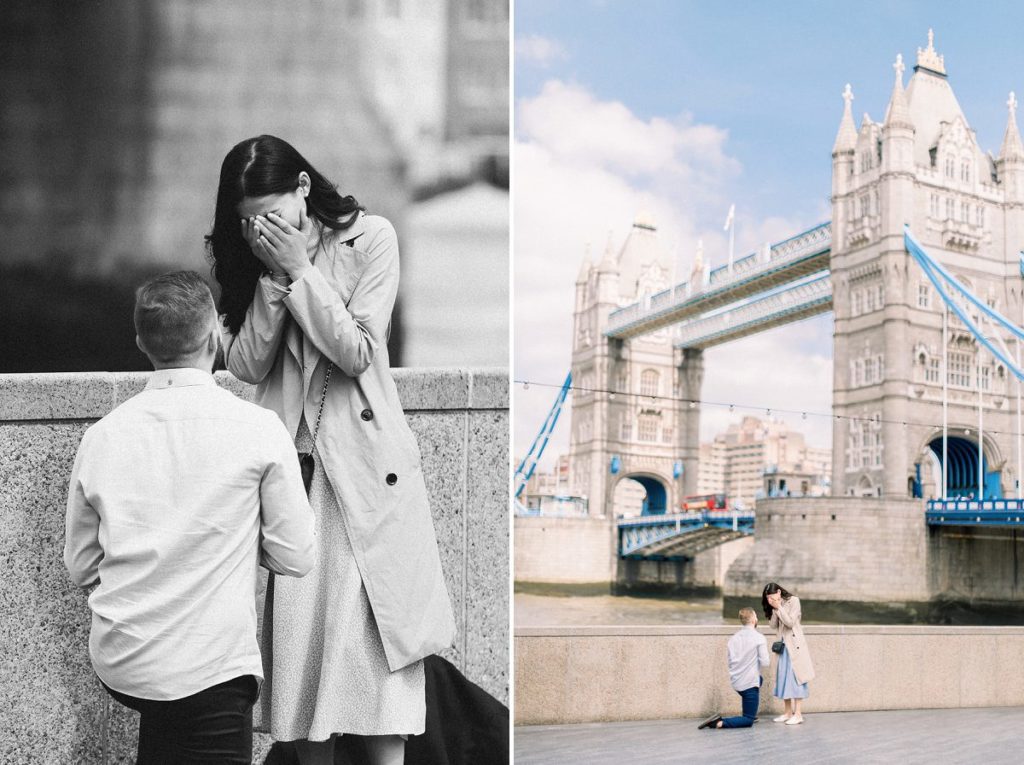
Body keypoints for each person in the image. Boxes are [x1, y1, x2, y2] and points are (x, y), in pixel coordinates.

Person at [209, 135, 456, 765]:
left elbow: (359, 352)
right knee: (300, 677)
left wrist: (302, 271)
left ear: (302, 187)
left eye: (272, 215)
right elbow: (245, 364)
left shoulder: (372, 238)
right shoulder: (259, 260)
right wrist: (273, 276)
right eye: (248, 222)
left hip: (364, 475)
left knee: (375, 674)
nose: (261, 231)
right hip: (293, 477)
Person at [63, 271, 317, 764]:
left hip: (124, 661)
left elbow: (80, 566)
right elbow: (297, 558)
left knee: (166, 732)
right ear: (215, 336)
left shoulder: (103, 436)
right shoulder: (259, 429)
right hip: (212, 667)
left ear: (141, 342)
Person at [698, 607, 769, 730]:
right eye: (756, 616)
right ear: (753, 620)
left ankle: (750, 711)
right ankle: (719, 722)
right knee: (748, 720)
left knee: (760, 679)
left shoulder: (733, 638)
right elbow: (765, 662)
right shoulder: (759, 638)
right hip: (749, 684)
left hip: (736, 681)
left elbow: (731, 660)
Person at [763, 582, 814, 725]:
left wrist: (779, 607)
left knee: (796, 678)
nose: (770, 599)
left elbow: (790, 623)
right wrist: (774, 608)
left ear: (779, 592)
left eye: (772, 596)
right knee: (783, 679)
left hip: (794, 646)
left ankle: (798, 714)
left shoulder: (794, 601)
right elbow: (773, 625)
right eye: (768, 598)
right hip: (782, 647)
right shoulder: (775, 605)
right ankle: (787, 713)